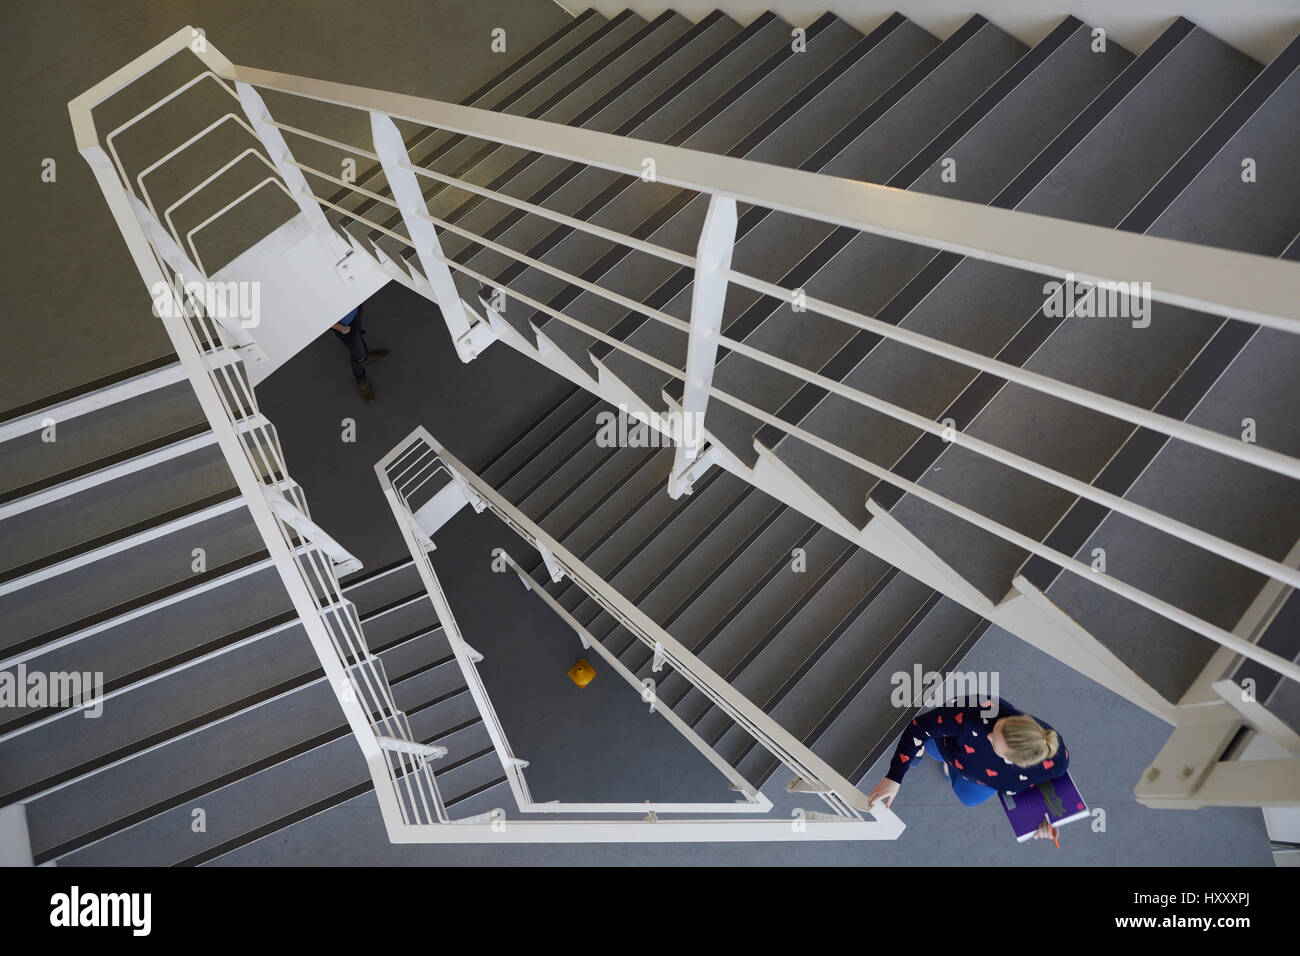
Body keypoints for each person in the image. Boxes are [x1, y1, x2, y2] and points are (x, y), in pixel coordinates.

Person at [867, 697, 1069, 841]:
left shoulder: (1056, 761)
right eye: (998, 727)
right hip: (949, 746)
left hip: (983, 777)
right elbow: (919, 727)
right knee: (925, 746)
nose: (989, 735)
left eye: (995, 743)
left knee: (968, 799)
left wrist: (1048, 819)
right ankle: (928, 755)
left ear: (1020, 763)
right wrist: (894, 777)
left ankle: (952, 770)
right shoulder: (974, 715)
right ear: (1023, 718)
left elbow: (1053, 789)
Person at [331, 304, 389, 403]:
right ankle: (361, 381)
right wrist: (343, 329)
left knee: (360, 336)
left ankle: (366, 354)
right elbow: (319, 317)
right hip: (345, 326)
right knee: (358, 356)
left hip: (354, 311)